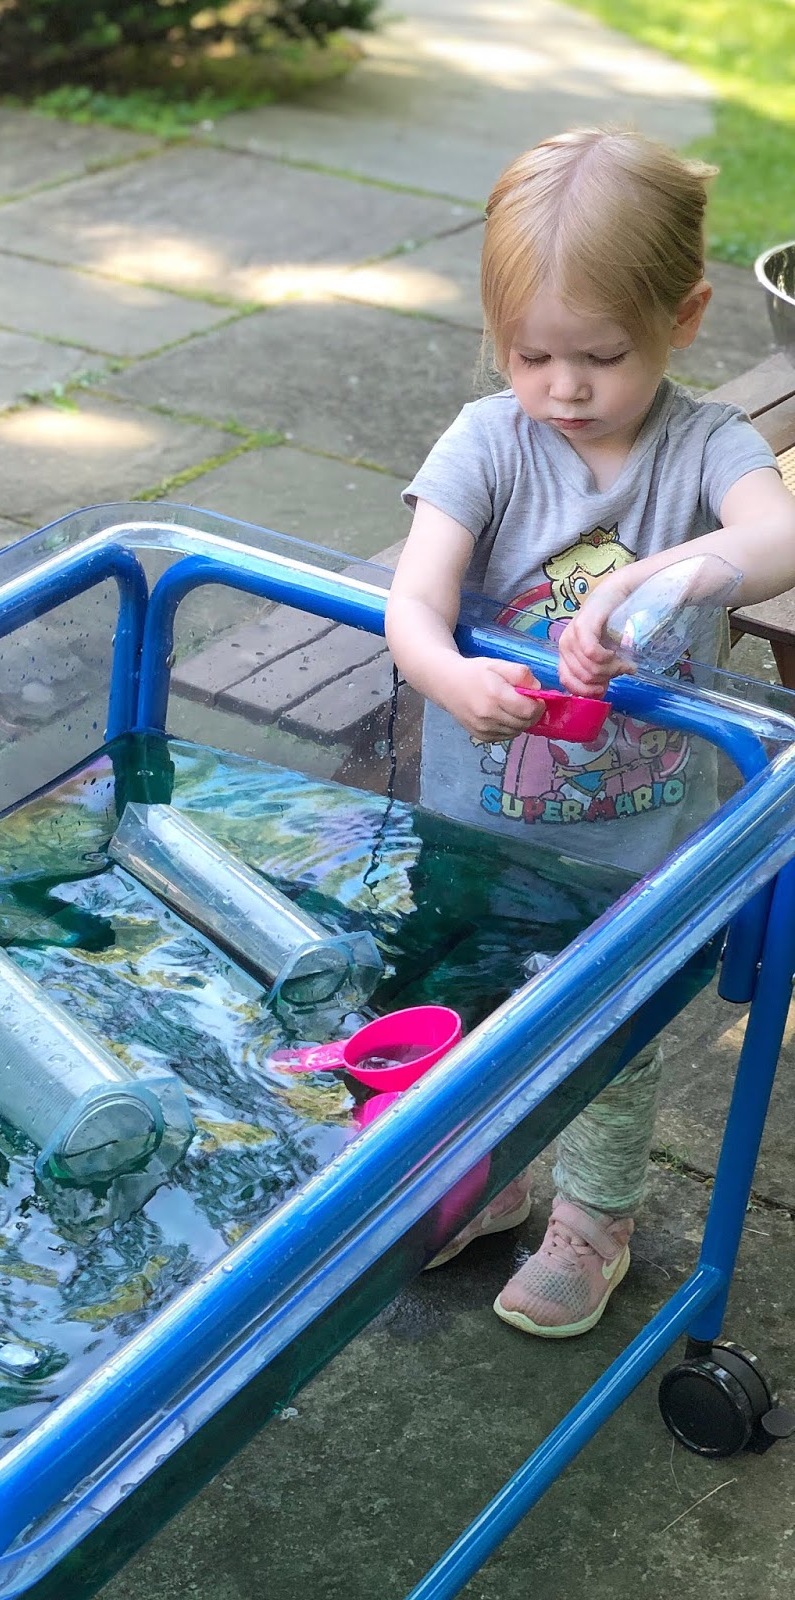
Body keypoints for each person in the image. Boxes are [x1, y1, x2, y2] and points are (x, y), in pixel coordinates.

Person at [385, 126, 795, 1340]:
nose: (563, 386)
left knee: (610, 1035)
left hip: (632, 838)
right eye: (531, 354)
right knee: (475, 1009)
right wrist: (451, 679)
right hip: (477, 818)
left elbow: (778, 537)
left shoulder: (706, 444)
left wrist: (679, 573)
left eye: (602, 356)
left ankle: (596, 1214)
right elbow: (409, 605)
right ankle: (499, 1174)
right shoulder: (486, 442)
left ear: (685, 317)